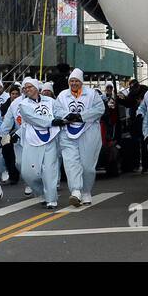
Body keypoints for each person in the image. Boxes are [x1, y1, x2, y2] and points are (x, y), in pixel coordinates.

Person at [3, 77, 63, 208]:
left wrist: (64, 118)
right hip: (31, 140)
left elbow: (59, 113)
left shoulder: (51, 101)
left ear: (37, 88)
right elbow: (32, 118)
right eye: (25, 88)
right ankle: (41, 192)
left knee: (49, 170)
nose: (27, 89)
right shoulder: (23, 105)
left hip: (50, 139)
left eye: (30, 87)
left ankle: (51, 199)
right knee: (27, 173)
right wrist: (51, 121)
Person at [56, 68, 104, 206]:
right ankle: (76, 191)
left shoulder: (92, 94)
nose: (74, 83)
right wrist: (67, 115)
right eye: (72, 81)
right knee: (71, 164)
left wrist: (81, 116)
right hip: (68, 134)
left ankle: (86, 191)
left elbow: (100, 109)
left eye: (77, 81)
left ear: (81, 82)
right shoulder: (63, 95)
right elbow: (57, 110)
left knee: (87, 166)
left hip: (88, 133)